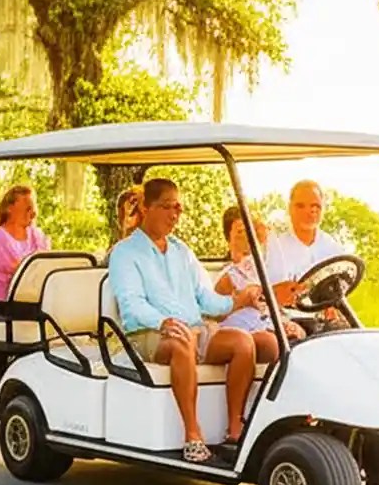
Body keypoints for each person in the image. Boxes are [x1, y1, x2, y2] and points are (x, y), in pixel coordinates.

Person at [107, 178, 262, 463]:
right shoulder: (125, 253)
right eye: (166, 207)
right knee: (182, 341)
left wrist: (239, 300)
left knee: (242, 342)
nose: (174, 214)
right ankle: (193, 434)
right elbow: (131, 306)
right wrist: (164, 322)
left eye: (178, 208)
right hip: (147, 333)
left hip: (192, 329)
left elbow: (206, 299)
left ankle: (235, 429)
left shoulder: (181, 251)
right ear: (146, 206)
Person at [214, 206, 307, 365]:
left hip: (273, 326)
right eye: (240, 231)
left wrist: (291, 327)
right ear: (228, 238)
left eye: (250, 231)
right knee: (272, 342)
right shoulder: (225, 276)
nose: (247, 237)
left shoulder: (263, 271)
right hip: (246, 334)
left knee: (312, 333)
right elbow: (217, 314)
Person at [265, 180, 350, 326]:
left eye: (315, 206)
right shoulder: (275, 248)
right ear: (290, 208)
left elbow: (341, 288)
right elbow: (272, 295)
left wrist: (332, 307)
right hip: (288, 321)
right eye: (300, 206)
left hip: (326, 319)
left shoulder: (332, 247)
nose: (309, 211)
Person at [0, 184, 52, 300]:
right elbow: (19, 273)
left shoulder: (37, 236)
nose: (33, 212)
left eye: (33, 207)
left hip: (38, 298)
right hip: (9, 302)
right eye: (27, 207)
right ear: (9, 208)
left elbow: (46, 266)